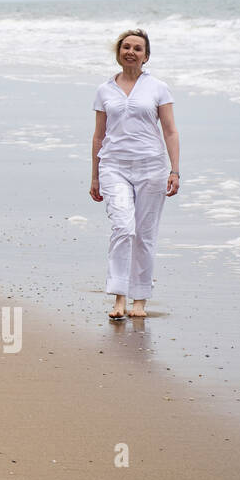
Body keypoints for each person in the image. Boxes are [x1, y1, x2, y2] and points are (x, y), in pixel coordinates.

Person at [89, 29, 180, 320]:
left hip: (151, 167)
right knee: (123, 228)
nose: (130, 52)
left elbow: (170, 131)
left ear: (146, 56)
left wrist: (174, 170)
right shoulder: (104, 90)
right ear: (118, 53)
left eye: (137, 48)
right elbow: (98, 136)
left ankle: (139, 300)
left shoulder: (158, 88)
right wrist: (95, 176)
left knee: (144, 234)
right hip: (113, 166)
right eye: (126, 47)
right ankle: (119, 297)